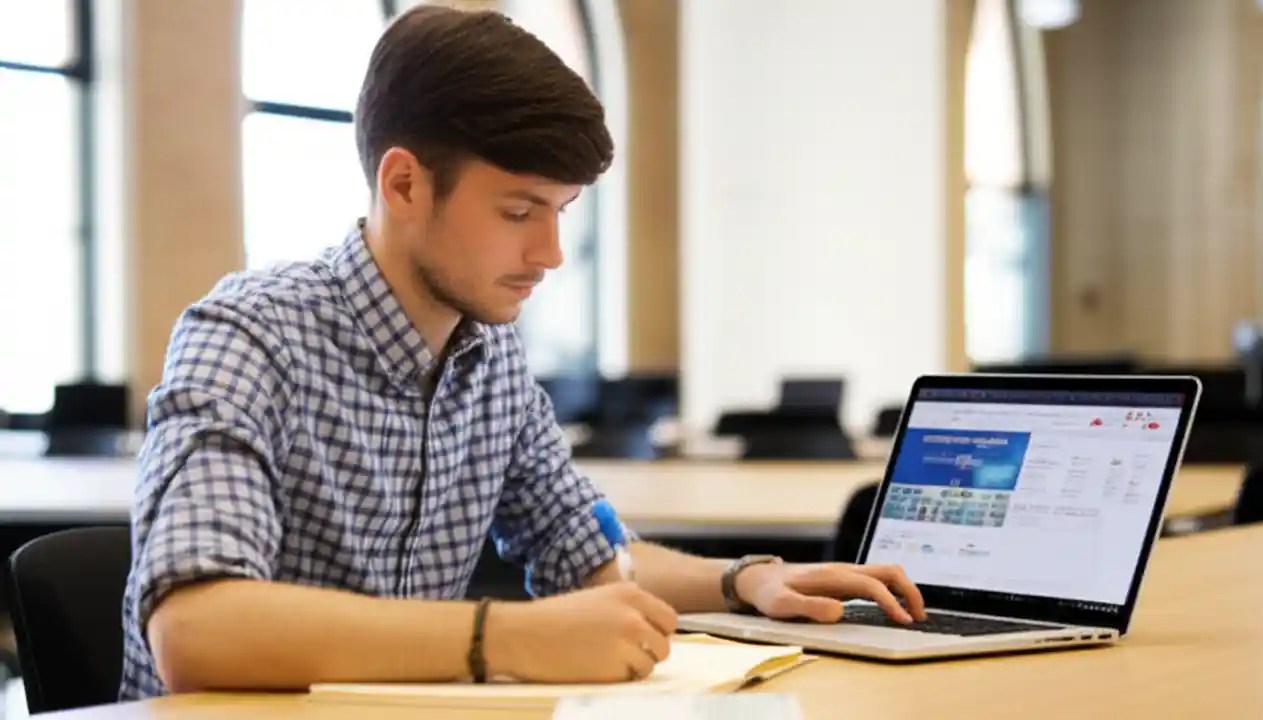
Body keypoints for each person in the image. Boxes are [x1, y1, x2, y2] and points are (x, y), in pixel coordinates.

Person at [120, 4, 926, 700]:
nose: (550, 252)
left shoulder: (491, 354)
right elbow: (196, 630)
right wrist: (501, 638)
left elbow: (591, 559)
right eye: (519, 210)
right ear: (403, 185)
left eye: (562, 210)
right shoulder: (248, 336)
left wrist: (747, 581)